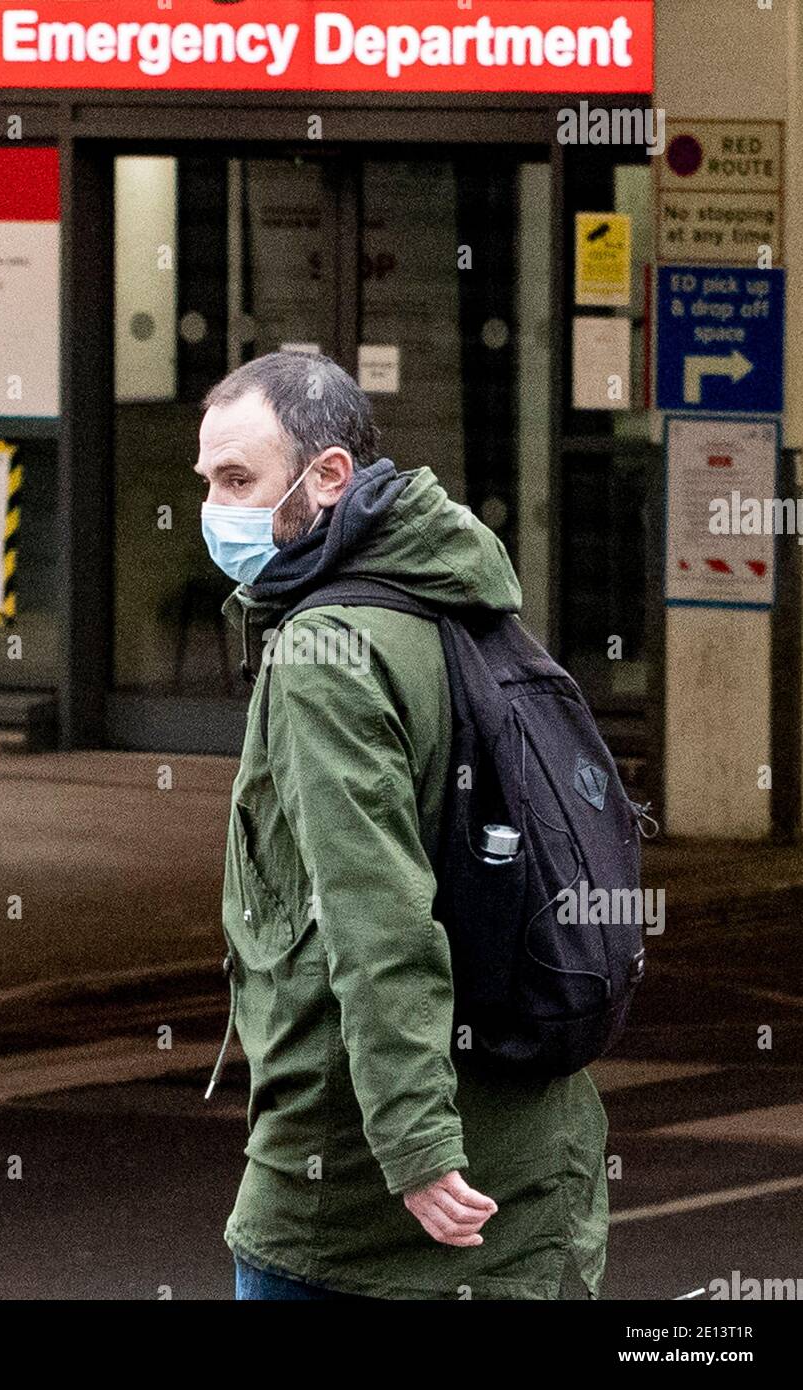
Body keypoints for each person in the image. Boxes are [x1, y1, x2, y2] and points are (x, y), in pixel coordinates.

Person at [197, 351, 608, 1301]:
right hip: (534, 1150)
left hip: (351, 1194)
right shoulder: (461, 602)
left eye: (239, 480)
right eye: (209, 481)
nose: (217, 512)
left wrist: (416, 1146)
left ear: (329, 475)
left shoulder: (321, 652)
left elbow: (377, 918)